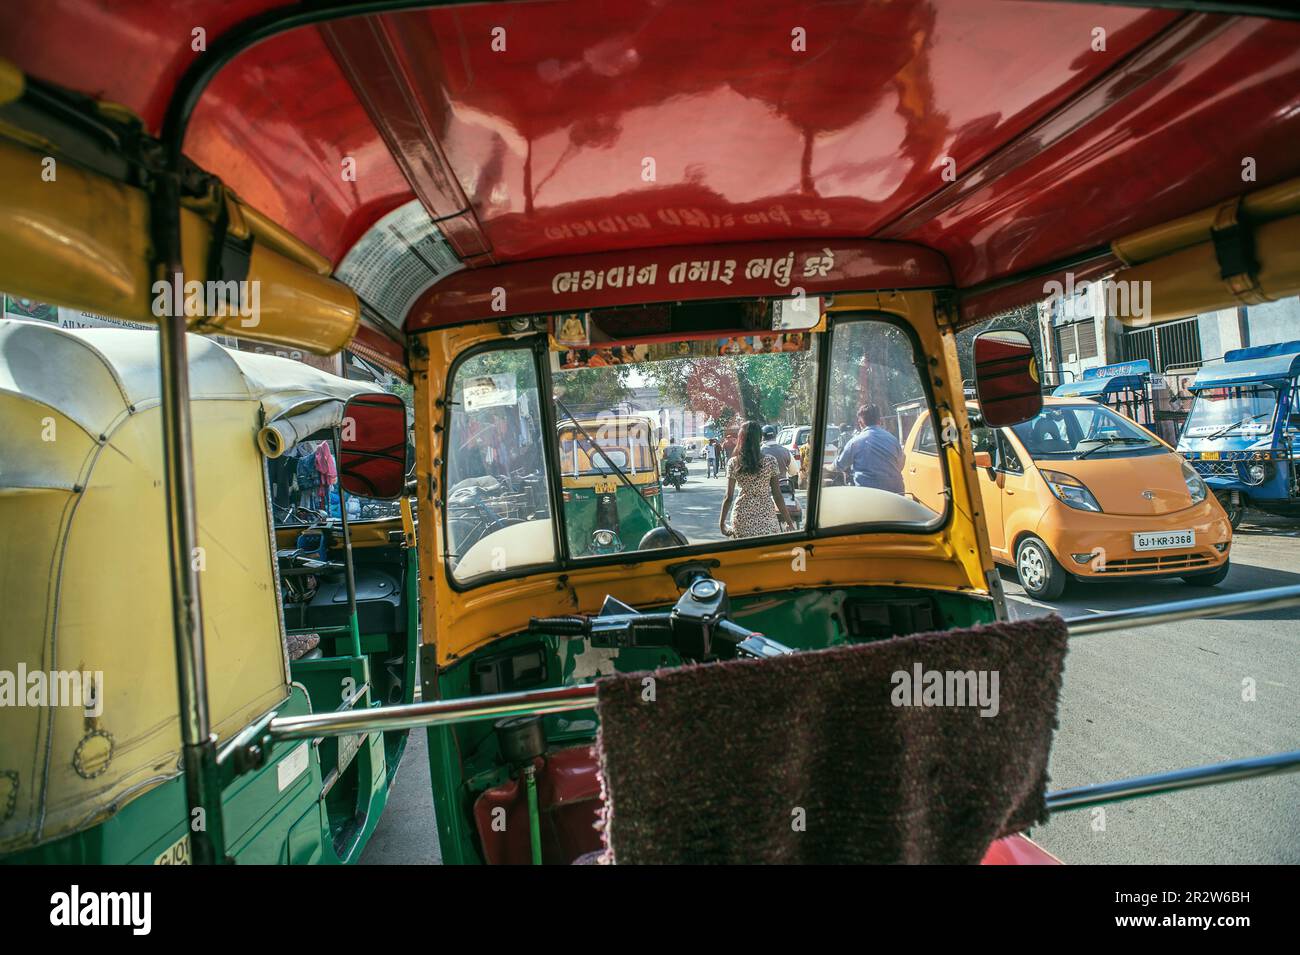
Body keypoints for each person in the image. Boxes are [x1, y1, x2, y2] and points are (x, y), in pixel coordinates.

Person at [719, 420, 794, 538]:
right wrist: (789, 522)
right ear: (760, 439)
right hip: (767, 520)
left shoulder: (734, 462)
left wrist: (722, 523)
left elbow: (728, 497)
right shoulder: (770, 461)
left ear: (740, 438)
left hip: (741, 519)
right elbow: (777, 495)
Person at [836, 404, 905, 493]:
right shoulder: (893, 439)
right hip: (896, 495)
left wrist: (826, 467)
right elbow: (901, 462)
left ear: (860, 423)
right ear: (880, 421)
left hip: (869, 497)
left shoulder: (855, 442)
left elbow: (839, 465)